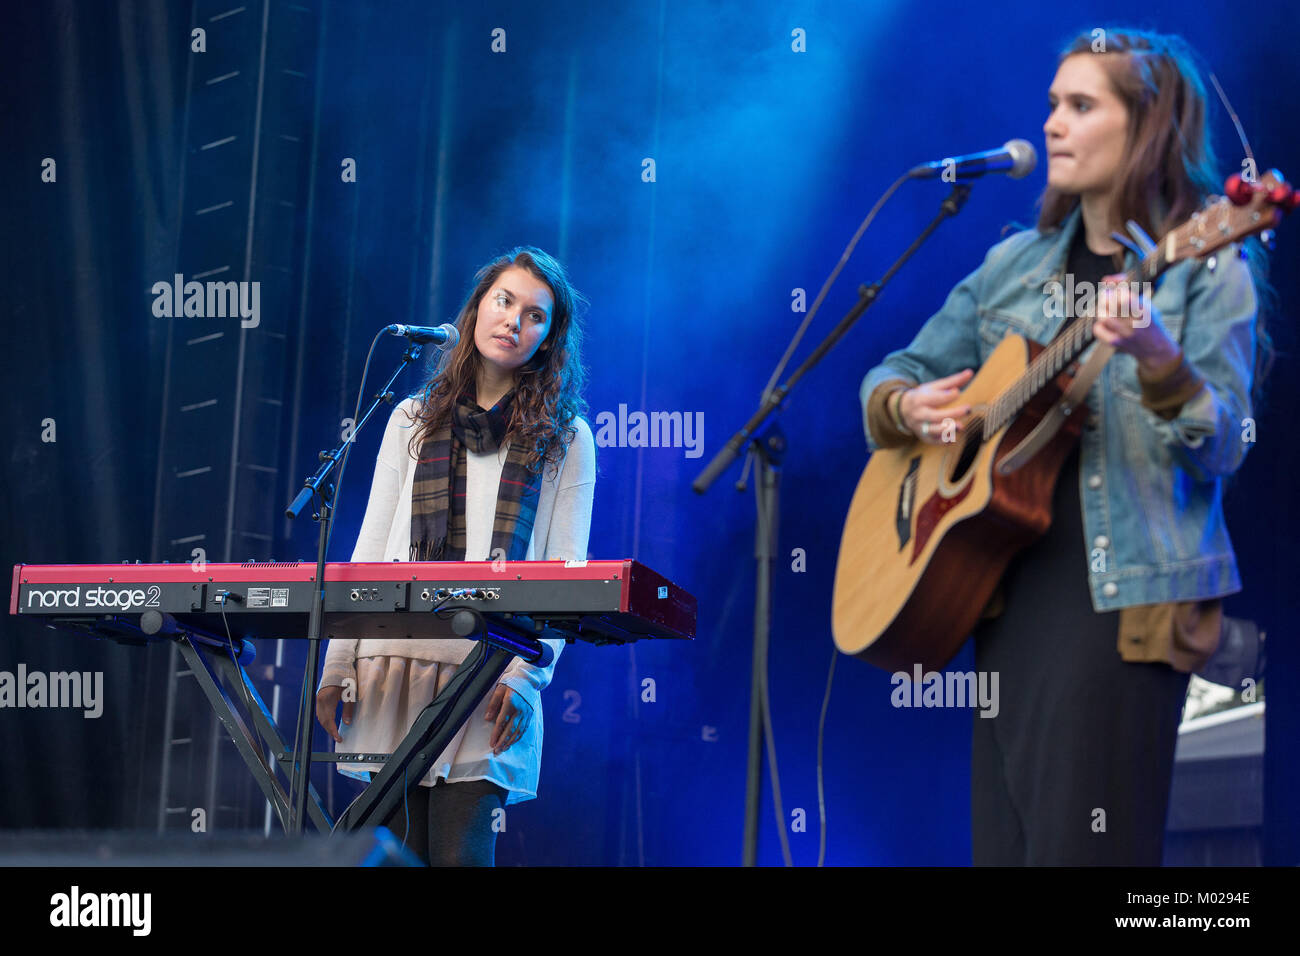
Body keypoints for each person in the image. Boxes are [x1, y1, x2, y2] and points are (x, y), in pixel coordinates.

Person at [859, 29, 1272, 865]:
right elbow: (893, 370)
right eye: (1052, 104)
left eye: (1081, 106)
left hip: (1123, 609)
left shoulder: (1201, 265)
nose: (1052, 124)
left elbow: (1225, 442)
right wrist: (909, 408)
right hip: (1002, 600)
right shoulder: (1013, 264)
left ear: (1147, 125)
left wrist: (1158, 355)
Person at [315, 246, 595, 866]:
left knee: (462, 860)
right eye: (504, 300)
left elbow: (569, 576)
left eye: (535, 314)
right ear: (474, 312)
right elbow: (369, 551)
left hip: (489, 680)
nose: (514, 320)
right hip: (390, 669)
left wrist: (528, 679)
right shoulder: (409, 418)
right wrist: (336, 665)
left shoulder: (566, 437)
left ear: (548, 339)